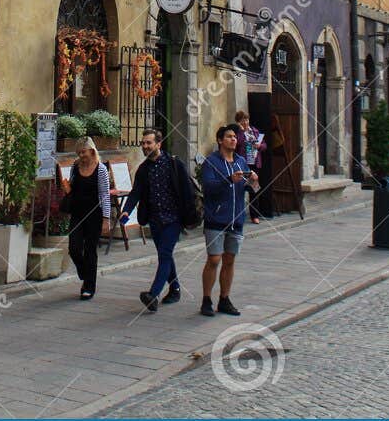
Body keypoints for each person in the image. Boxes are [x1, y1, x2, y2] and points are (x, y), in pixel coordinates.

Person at [120, 128, 199, 312]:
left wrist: (189, 216)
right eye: (143, 143)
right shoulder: (143, 169)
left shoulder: (174, 164)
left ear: (158, 144)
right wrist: (126, 211)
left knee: (164, 255)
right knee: (165, 255)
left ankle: (152, 295)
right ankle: (175, 288)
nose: (145, 146)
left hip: (173, 219)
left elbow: (187, 190)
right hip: (155, 220)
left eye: (149, 143)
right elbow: (136, 193)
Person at [199, 124, 259, 317]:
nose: (233, 139)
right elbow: (208, 187)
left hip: (236, 217)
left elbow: (250, 189)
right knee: (214, 259)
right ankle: (206, 299)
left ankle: (224, 298)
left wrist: (254, 182)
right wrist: (228, 180)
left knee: (230, 259)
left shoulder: (241, 162)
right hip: (216, 217)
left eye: (235, 137)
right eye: (229, 136)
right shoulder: (211, 162)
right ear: (220, 140)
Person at [59, 138, 111, 299]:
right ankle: (84, 272)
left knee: (90, 250)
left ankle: (89, 286)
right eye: (79, 153)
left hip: (94, 215)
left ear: (92, 151)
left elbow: (104, 194)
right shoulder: (76, 167)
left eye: (84, 152)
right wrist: (67, 188)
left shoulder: (101, 169)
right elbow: (73, 187)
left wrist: (106, 218)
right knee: (74, 248)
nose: (82, 156)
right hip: (77, 213)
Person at [236, 109, 268, 223]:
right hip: (243, 165)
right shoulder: (238, 133)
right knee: (240, 188)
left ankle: (255, 216)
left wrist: (259, 145)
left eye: (246, 119)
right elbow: (238, 143)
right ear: (238, 122)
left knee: (254, 190)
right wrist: (240, 132)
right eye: (242, 120)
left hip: (254, 163)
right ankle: (238, 214)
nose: (245, 122)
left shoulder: (255, 131)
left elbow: (265, 145)